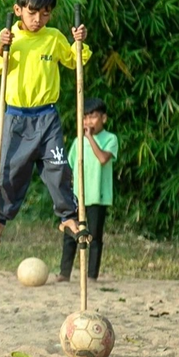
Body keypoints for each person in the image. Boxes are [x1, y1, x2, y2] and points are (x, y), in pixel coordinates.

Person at [0, 0, 90, 245]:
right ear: (18, 10)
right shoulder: (9, 37)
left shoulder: (53, 38)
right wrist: (0, 49)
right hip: (16, 117)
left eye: (45, 13)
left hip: (47, 117)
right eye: (32, 13)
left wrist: (79, 44)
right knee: (10, 170)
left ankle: (68, 217)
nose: (38, 19)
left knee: (59, 167)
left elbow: (74, 60)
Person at [57, 97, 118, 281]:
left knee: (95, 237)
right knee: (70, 234)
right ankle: (64, 273)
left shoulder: (110, 139)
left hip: (97, 196)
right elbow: (70, 166)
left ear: (103, 119)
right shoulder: (77, 141)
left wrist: (89, 137)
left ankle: (92, 275)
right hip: (77, 196)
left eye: (93, 117)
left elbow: (102, 158)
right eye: (85, 118)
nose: (88, 122)